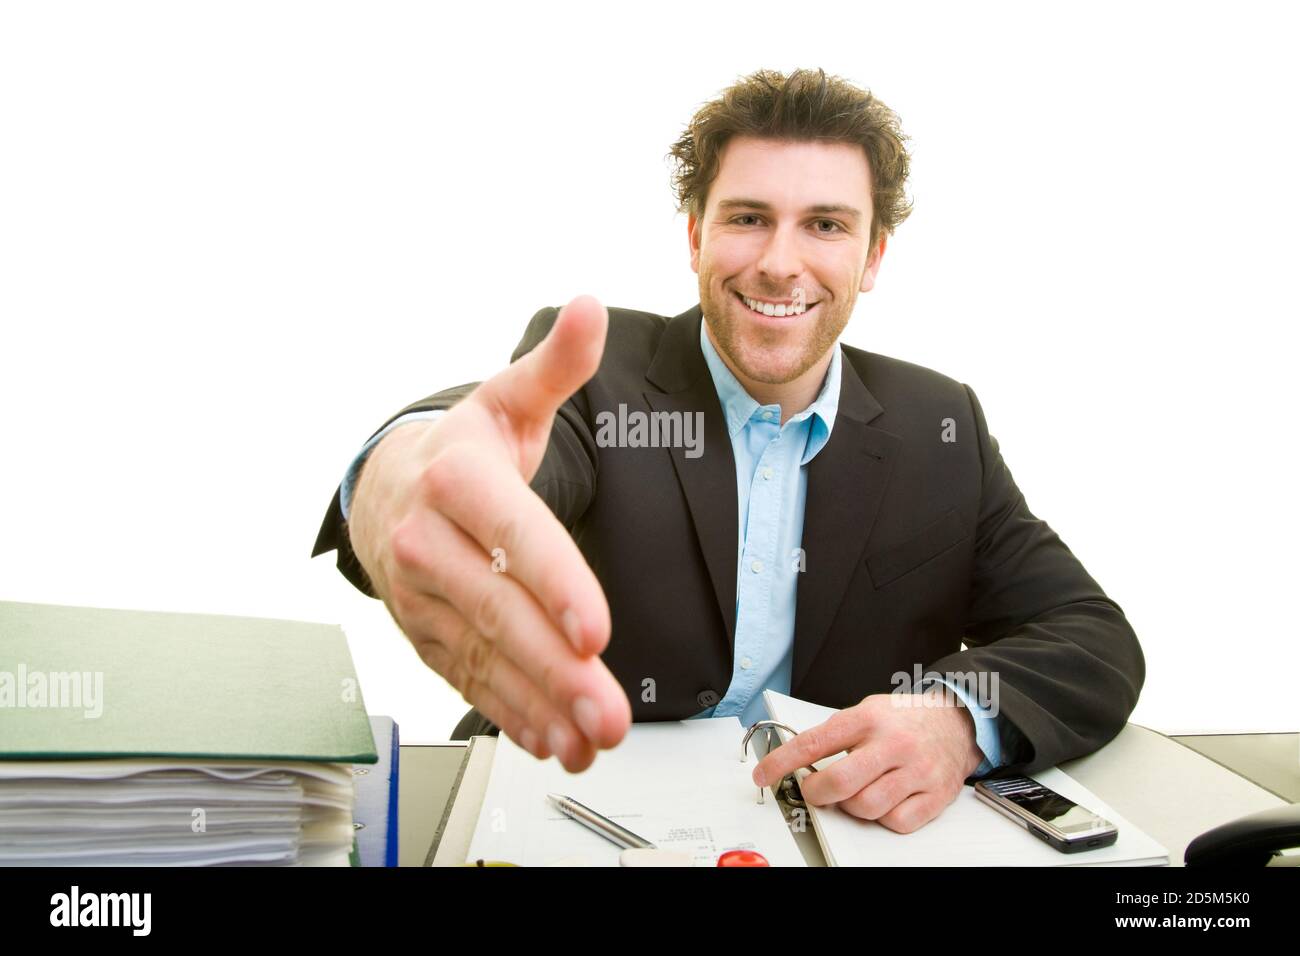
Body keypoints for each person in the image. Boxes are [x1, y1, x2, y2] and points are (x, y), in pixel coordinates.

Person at [311, 67, 1144, 834]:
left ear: (873, 256)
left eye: (825, 225)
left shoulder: (941, 424)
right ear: (695, 236)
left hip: (845, 836)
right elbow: (488, 450)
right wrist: (397, 472)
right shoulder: (600, 375)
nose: (781, 265)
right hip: (570, 815)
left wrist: (958, 721)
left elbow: (1089, 634)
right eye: (748, 219)